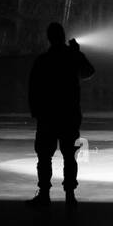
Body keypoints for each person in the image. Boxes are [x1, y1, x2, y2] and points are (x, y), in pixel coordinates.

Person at [25, 22, 94, 208]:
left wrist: (36, 112)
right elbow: (89, 72)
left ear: (49, 38)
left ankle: (45, 194)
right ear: (63, 37)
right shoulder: (72, 58)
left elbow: (33, 88)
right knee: (69, 156)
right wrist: (77, 52)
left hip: (47, 115)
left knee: (44, 156)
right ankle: (70, 195)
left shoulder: (43, 60)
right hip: (69, 115)